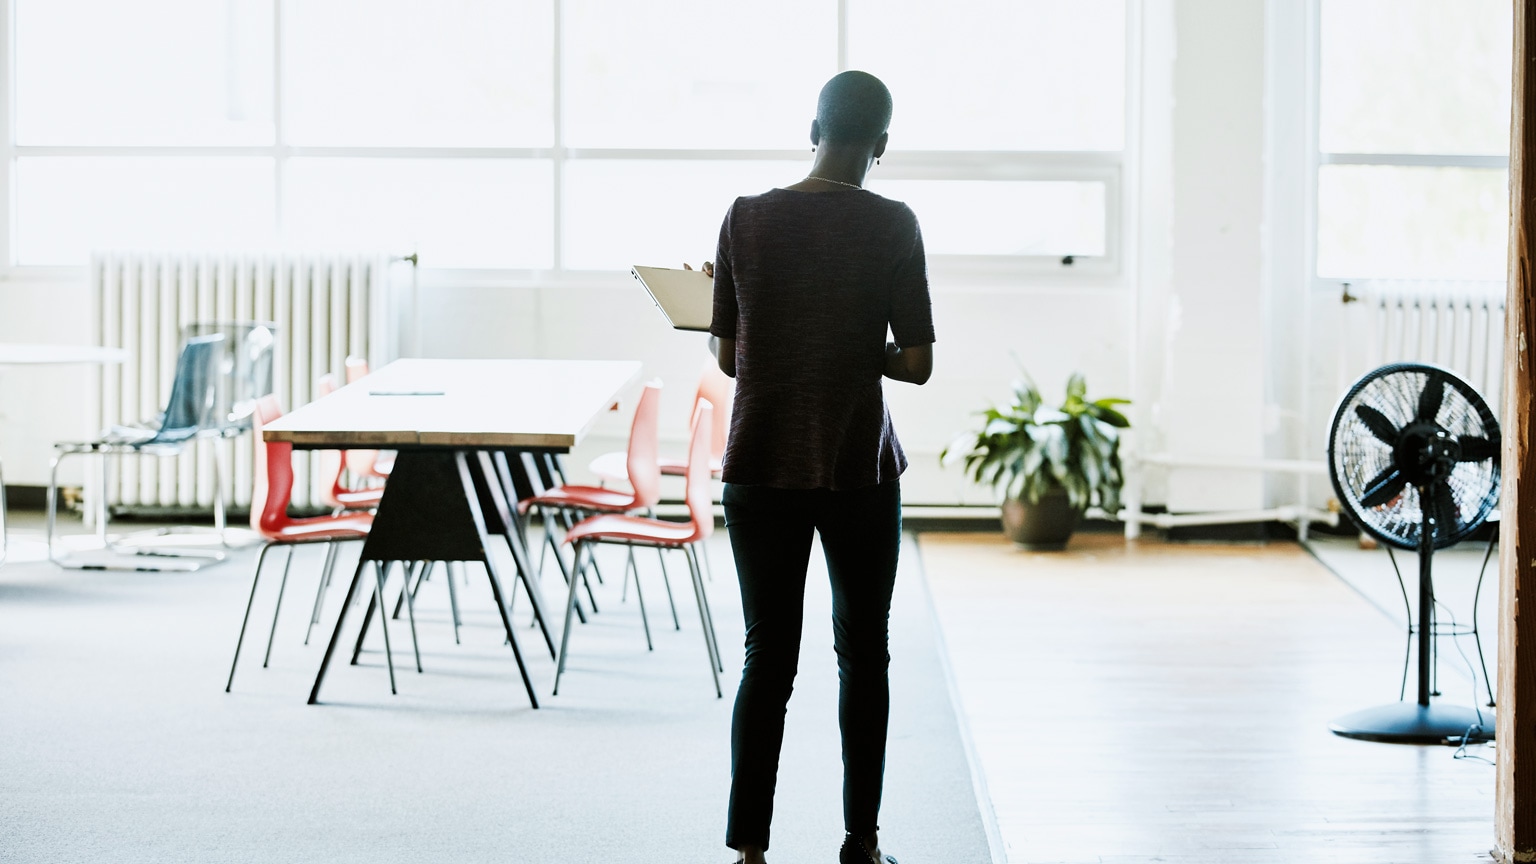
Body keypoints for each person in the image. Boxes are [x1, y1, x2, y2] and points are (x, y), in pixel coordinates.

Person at [706, 70, 934, 864]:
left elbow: (730, 356)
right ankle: (861, 845)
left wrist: (769, 321)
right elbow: (916, 364)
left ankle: (748, 852)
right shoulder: (896, 224)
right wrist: (849, 340)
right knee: (863, 652)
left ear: (812, 129)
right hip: (856, 467)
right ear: (880, 146)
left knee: (767, 656)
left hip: (761, 461)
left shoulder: (745, 219)